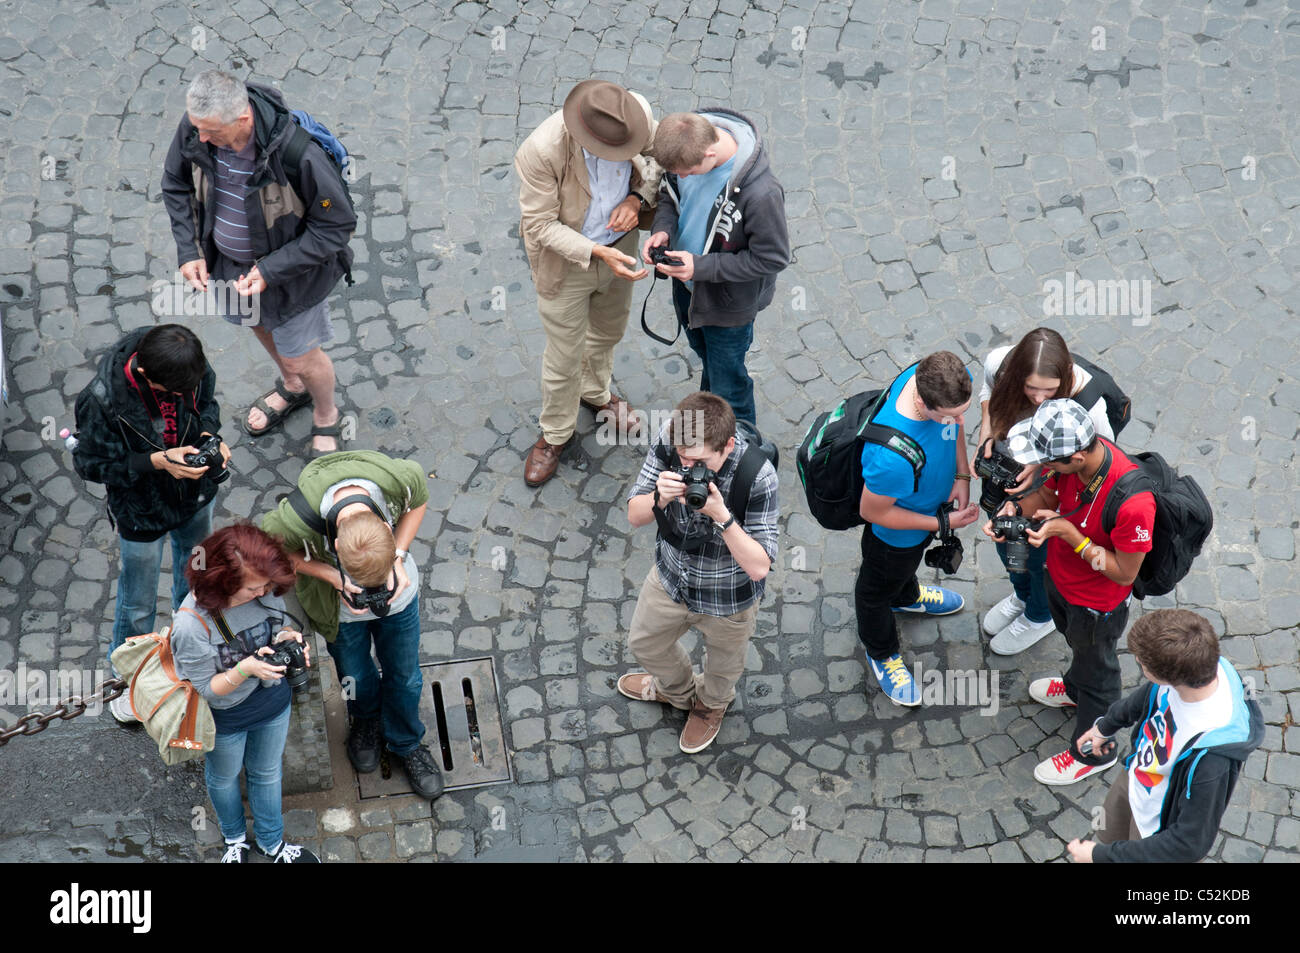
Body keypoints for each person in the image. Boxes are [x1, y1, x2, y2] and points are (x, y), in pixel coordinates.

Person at [161, 69, 355, 456]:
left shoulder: (300, 154)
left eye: (211, 132)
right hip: (228, 267)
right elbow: (175, 184)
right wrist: (189, 250)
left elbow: (335, 226)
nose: (199, 139)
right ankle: (292, 386)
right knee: (256, 322)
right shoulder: (198, 125)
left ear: (243, 119)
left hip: (292, 278)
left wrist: (269, 271)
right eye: (197, 129)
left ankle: (325, 412)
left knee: (303, 354)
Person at [985, 398, 1155, 785]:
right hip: (1062, 583)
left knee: (1101, 674)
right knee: (1081, 653)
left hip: (1097, 606)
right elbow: (1048, 497)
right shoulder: (1073, 462)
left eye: (1050, 462)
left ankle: (1095, 751)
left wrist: (1069, 535)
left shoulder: (1133, 505)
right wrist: (1015, 509)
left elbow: (1125, 573)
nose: (1043, 468)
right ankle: (1077, 688)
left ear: (1077, 457)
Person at [260, 451, 442, 799]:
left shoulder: (400, 479)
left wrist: (399, 557)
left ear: (388, 527)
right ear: (337, 546)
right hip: (339, 613)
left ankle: (406, 742)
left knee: (405, 675)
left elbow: (419, 499)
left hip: (400, 603)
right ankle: (366, 720)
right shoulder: (292, 521)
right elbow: (272, 553)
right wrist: (331, 576)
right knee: (354, 675)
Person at [71, 324, 229, 723]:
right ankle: (126, 679)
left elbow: (207, 404)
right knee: (137, 603)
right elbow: (90, 464)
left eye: (182, 392)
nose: (179, 398)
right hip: (140, 511)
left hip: (195, 498)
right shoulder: (102, 399)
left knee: (193, 579)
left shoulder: (187, 367)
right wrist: (156, 461)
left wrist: (211, 435)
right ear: (143, 373)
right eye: (169, 395)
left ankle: (190, 652)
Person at [514, 80, 663, 486]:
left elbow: (658, 163)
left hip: (622, 245)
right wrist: (598, 253)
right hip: (567, 263)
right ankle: (555, 434)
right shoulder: (541, 151)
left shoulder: (638, 119)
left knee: (609, 331)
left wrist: (636, 200)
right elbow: (540, 225)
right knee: (563, 355)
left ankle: (595, 393)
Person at [619, 392, 778, 753]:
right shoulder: (672, 440)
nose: (689, 467)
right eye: (683, 458)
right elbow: (634, 515)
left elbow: (759, 567)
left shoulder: (757, 476)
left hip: (729, 598)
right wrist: (659, 497)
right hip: (671, 578)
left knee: (722, 670)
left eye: (700, 460)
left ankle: (710, 706)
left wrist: (721, 516)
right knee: (644, 643)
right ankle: (677, 692)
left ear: (728, 446)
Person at [169, 524, 320, 863]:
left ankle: (271, 843)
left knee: (267, 773)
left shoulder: (265, 586)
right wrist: (246, 669)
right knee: (223, 778)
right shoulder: (192, 626)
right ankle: (234, 839)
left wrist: (287, 639)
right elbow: (207, 689)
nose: (265, 592)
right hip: (226, 717)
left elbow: (280, 624)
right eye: (255, 588)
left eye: (267, 585)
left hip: (273, 703)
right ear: (224, 582)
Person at [1067, 609, 1263, 862]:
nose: (1137, 661)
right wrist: (1105, 727)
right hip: (1135, 780)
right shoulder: (1198, 669)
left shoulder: (1213, 762)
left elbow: (1187, 844)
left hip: (1155, 825)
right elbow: (1148, 695)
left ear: (1167, 677)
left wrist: (1099, 856)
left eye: (1141, 663)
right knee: (1110, 833)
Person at [642, 111, 790, 427]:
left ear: (710, 155)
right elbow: (669, 193)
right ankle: (710, 422)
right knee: (709, 361)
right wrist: (663, 228)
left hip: (727, 306)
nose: (683, 177)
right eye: (678, 172)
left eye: (689, 172)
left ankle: (743, 451)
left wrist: (701, 267)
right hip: (689, 290)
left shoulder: (762, 194)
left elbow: (773, 258)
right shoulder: (688, 147)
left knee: (730, 389)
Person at [975, 327, 1115, 655]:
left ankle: (1040, 614)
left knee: (1038, 555)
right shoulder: (1000, 363)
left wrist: (1043, 464)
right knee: (1005, 539)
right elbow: (988, 393)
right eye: (1029, 388)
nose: (1038, 399)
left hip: (1053, 488)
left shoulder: (1089, 404)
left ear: (1064, 380)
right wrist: (987, 435)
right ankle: (1024, 596)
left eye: (1049, 391)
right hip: (1008, 475)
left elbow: (1099, 456)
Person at [854, 352, 980, 705]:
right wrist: (943, 523)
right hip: (895, 536)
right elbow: (873, 511)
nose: (958, 419)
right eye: (948, 415)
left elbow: (954, 426)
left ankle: (905, 597)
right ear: (923, 403)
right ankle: (881, 652)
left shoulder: (943, 378)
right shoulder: (891, 459)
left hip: (926, 513)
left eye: (962, 409)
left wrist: (961, 473)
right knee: (874, 592)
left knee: (901, 573)